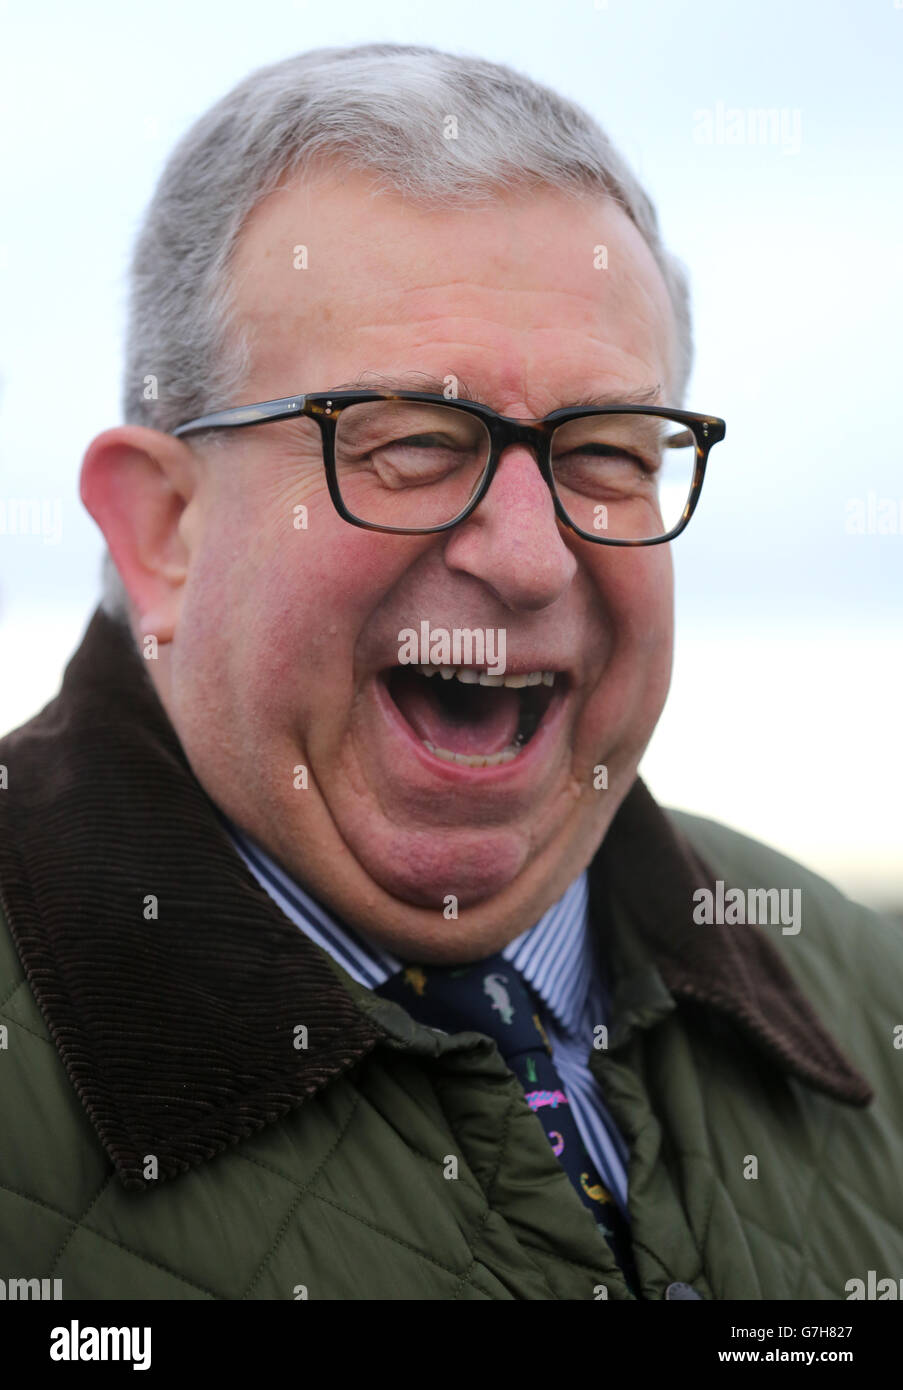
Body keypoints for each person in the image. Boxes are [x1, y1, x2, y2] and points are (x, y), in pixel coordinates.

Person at [1, 43, 900, 1302]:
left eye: (605, 454)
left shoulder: (860, 991)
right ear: (163, 529)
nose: (532, 560)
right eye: (418, 444)